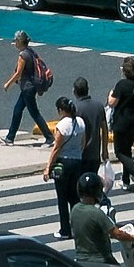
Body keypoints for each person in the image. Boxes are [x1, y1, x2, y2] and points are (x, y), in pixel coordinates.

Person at [3, 26, 52, 147]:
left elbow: (18, 73)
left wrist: (8, 84)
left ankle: (49, 137)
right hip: (28, 88)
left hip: (27, 89)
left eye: (15, 40)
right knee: (17, 110)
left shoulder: (23, 55)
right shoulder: (30, 51)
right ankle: (10, 137)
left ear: (20, 41)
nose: (14, 42)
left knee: (34, 113)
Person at [46, 96, 87, 232]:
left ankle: (65, 229)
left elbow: (56, 148)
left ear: (62, 110)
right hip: (77, 162)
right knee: (74, 197)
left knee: (62, 198)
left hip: (63, 162)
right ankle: (77, 226)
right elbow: (83, 143)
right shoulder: (81, 122)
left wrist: (48, 168)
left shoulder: (62, 125)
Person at [109, 55, 134, 188]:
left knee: (119, 152)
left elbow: (112, 102)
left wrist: (110, 94)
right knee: (127, 149)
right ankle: (125, 180)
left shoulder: (121, 85)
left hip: (122, 122)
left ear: (125, 71)